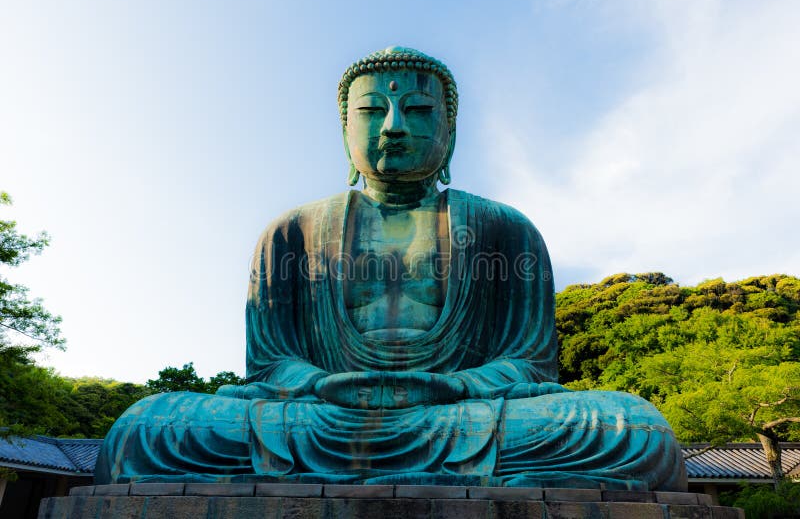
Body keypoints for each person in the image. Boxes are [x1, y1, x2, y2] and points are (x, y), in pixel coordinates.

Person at [95, 47, 686, 490]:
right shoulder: (291, 233)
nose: (394, 125)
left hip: (461, 415)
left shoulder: (507, 229)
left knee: (635, 431)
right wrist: (320, 385)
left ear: (450, 132)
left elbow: (529, 363)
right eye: (372, 109)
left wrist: (459, 385)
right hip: (320, 416)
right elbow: (270, 362)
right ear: (344, 129)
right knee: (145, 427)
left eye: (420, 109)